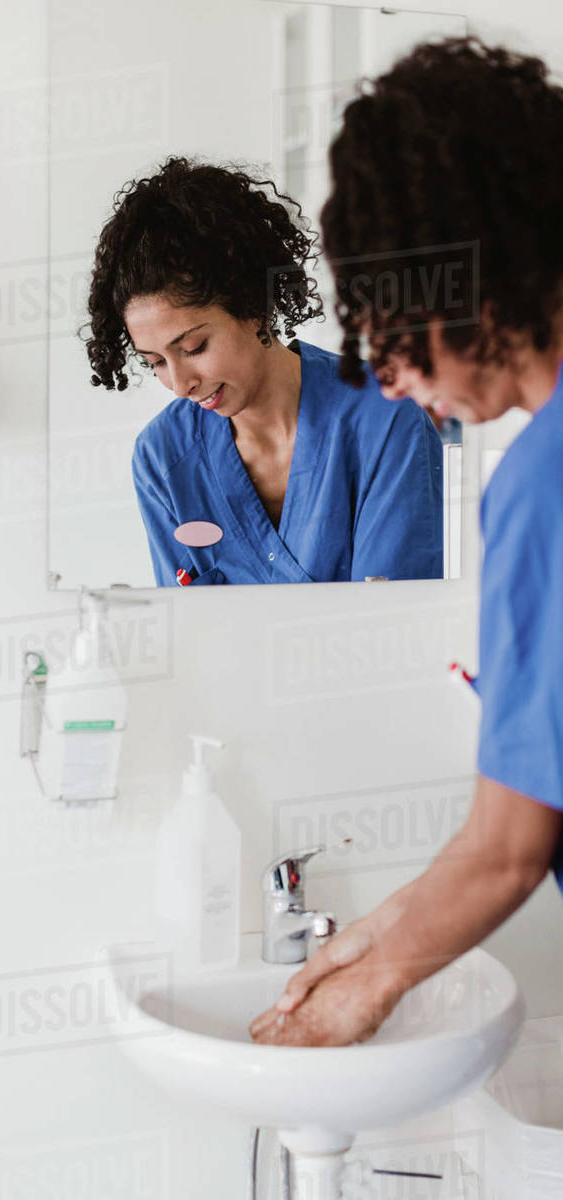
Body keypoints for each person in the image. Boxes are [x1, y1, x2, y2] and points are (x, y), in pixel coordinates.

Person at [250, 36, 563, 1047]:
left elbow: (509, 850)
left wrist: (359, 991)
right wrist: (369, 936)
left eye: (383, 328)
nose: (382, 378)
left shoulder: (541, 483)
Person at [84, 158, 443, 586]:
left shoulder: (384, 420)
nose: (180, 385)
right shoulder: (163, 457)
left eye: (194, 347)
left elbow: (395, 627)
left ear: (255, 306)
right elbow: (181, 630)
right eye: (155, 363)